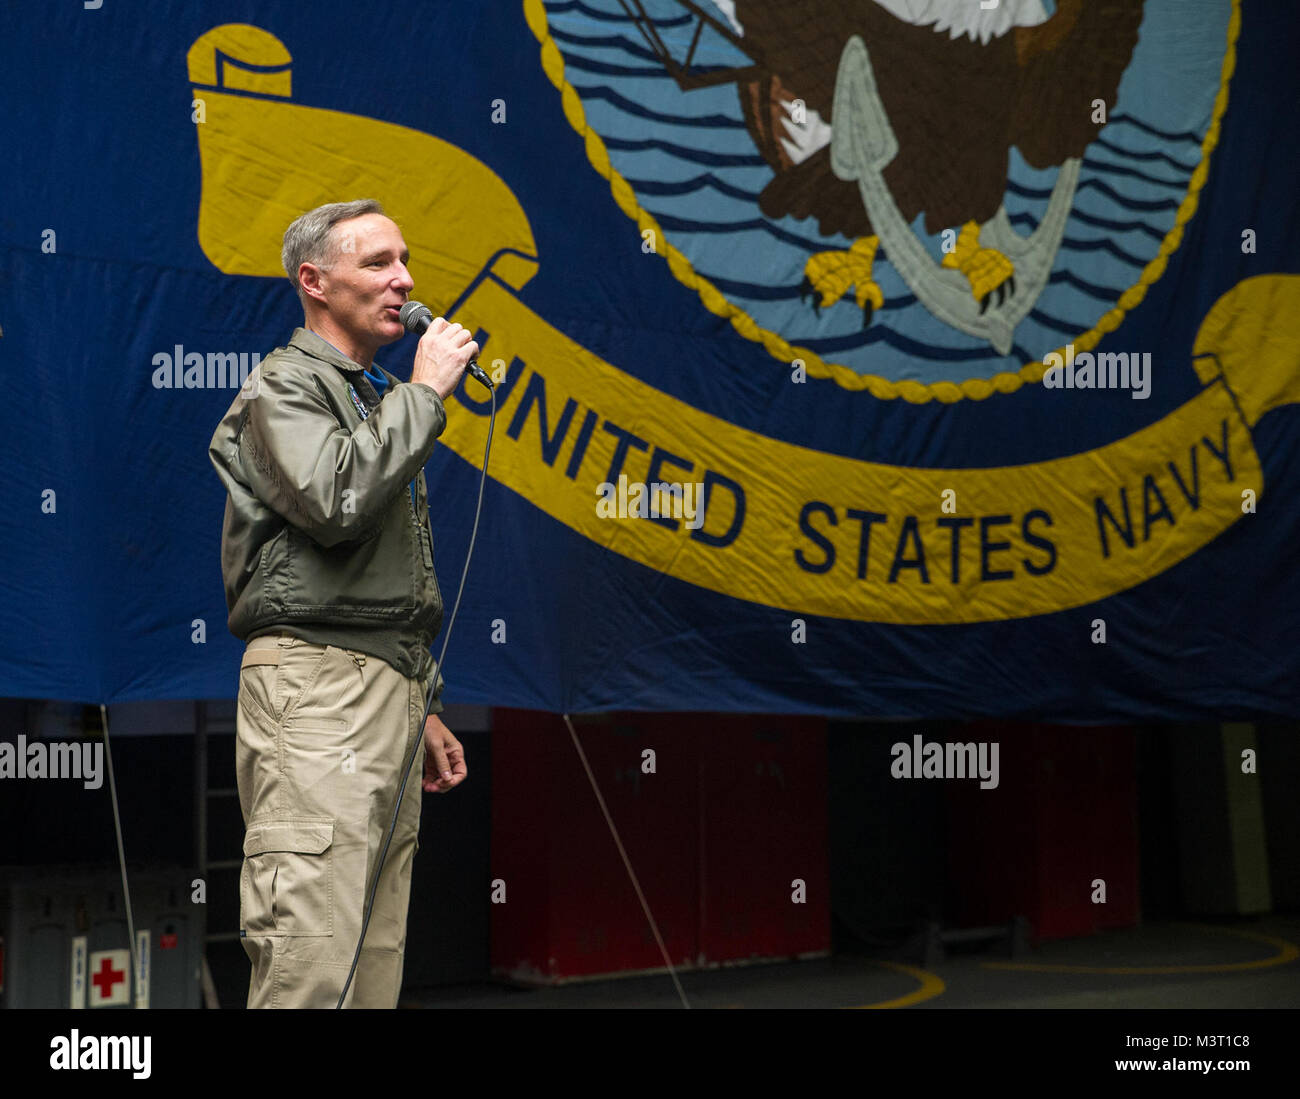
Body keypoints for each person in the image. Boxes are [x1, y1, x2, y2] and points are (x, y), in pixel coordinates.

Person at [208, 198, 479, 1008]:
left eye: (405, 260)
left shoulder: (373, 394)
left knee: (369, 972)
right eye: (379, 263)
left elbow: (379, 578)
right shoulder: (283, 386)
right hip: (316, 692)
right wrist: (425, 392)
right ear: (314, 282)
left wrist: (417, 697)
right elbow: (334, 501)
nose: (405, 280)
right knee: (311, 967)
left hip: (380, 691)